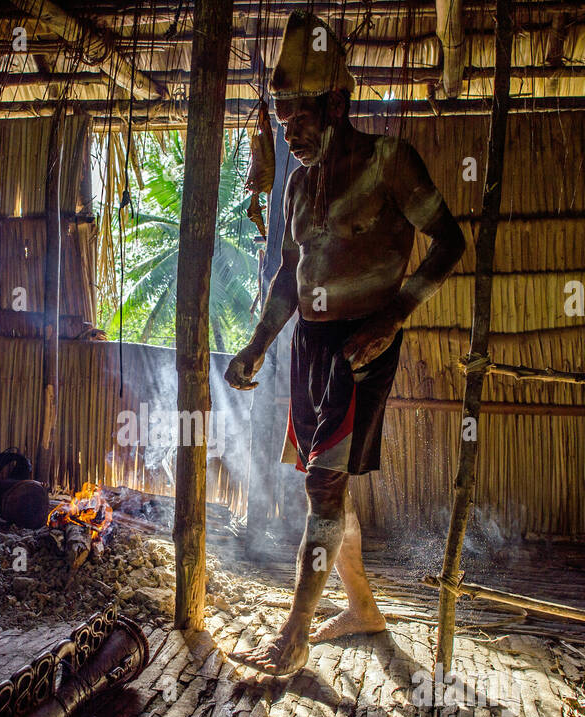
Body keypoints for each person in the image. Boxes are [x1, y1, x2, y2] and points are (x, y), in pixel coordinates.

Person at [224, 11, 466, 677]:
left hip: (363, 347)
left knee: (326, 491)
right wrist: (257, 345)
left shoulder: (392, 163)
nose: (289, 132)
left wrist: (395, 315)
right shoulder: (298, 185)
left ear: (337, 100)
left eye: (299, 116)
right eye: (280, 119)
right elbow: (288, 274)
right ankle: (361, 607)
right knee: (323, 492)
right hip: (310, 345)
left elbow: (450, 242)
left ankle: (295, 632)